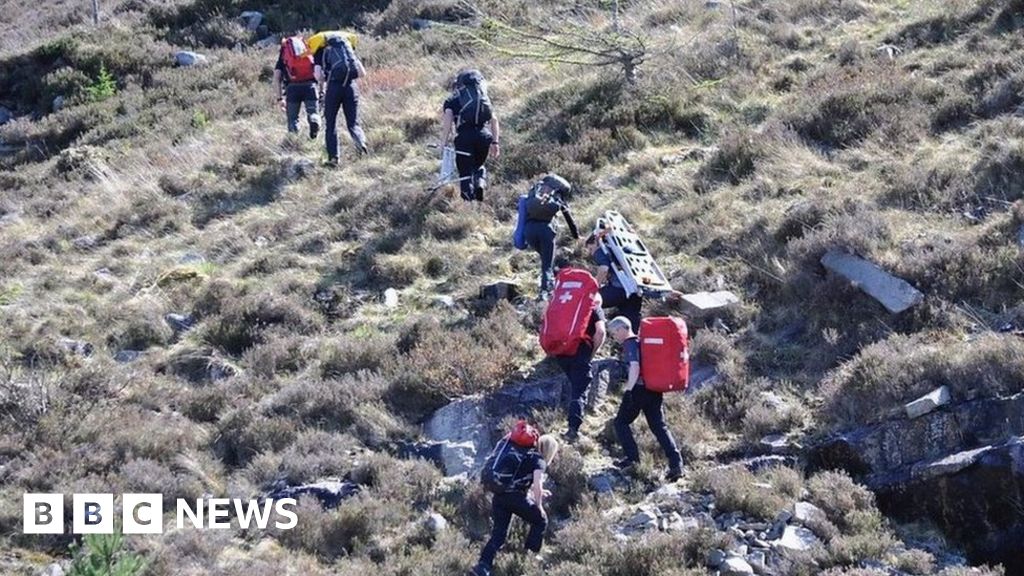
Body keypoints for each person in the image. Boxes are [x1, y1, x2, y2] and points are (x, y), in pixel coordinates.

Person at [607, 316, 683, 481]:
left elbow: (635, 366)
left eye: (614, 333)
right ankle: (676, 464)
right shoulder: (643, 342)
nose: (614, 337)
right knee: (659, 426)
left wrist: (628, 391)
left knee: (620, 423)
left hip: (638, 390)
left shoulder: (630, 344)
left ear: (622, 329)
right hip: (654, 389)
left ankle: (633, 459)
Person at [473, 435, 559, 576]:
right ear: (550, 450)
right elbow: (537, 484)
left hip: (500, 497)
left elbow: (521, 478)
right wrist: (539, 506)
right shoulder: (539, 460)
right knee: (541, 520)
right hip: (515, 498)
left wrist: (539, 492)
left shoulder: (525, 454)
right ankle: (530, 556)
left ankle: (482, 567)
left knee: (499, 535)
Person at [440, 70, 501, 202]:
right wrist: (495, 143)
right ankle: (479, 188)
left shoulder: (453, 99)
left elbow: (448, 118)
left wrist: (444, 141)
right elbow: (494, 120)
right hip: (484, 136)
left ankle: (468, 206)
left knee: (465, 172)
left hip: (464, 138)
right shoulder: (483, 98)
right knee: (478, 166)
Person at [554, 287, 606, 443]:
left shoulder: (567, 304)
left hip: (561, 351)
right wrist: (592, 353)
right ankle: (573, 430)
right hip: (580, 352)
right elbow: (601, 332)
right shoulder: (594, 307)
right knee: (579, 391)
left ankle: (568, 417)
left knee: (575, 385)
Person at [313, 32, 369, 166]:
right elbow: (362, 72)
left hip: (334, 88)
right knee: (353, 123)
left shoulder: (321, 50)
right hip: (351, 87)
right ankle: (361, 142)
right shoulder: (348, 50)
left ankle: (334, 158)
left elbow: (318, 76)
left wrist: (326, 79)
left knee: (330, 123)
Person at [523, 174, 580, 300]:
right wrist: (576, 236)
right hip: (546, 231)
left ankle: (553, 277)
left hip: (529, 231)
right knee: (547, 264)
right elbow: (568, 218)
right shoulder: (557, 196)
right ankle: (545, 292)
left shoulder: (534, 190)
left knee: (546, 259)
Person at [585, 232, 643, 332]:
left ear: (596, 242)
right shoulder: (617, 249)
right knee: (632, 325)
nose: (591, 253)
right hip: (635, 290)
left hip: (619, 289)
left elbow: (604, 269)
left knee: (589, 302)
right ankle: (632, 345)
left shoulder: (601, 250)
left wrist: (594, 286)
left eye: (590, 248)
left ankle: (590, 332)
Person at [273, 36, 321, 139]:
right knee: (313, 113)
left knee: (293, 119)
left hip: (292, 88)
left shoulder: (283, 57)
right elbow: (319, 71)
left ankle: (294, 143)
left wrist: (279, 98)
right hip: (310, 86)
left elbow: (277, 78)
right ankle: (314, 123)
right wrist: (321, 90)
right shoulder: (307, 51)